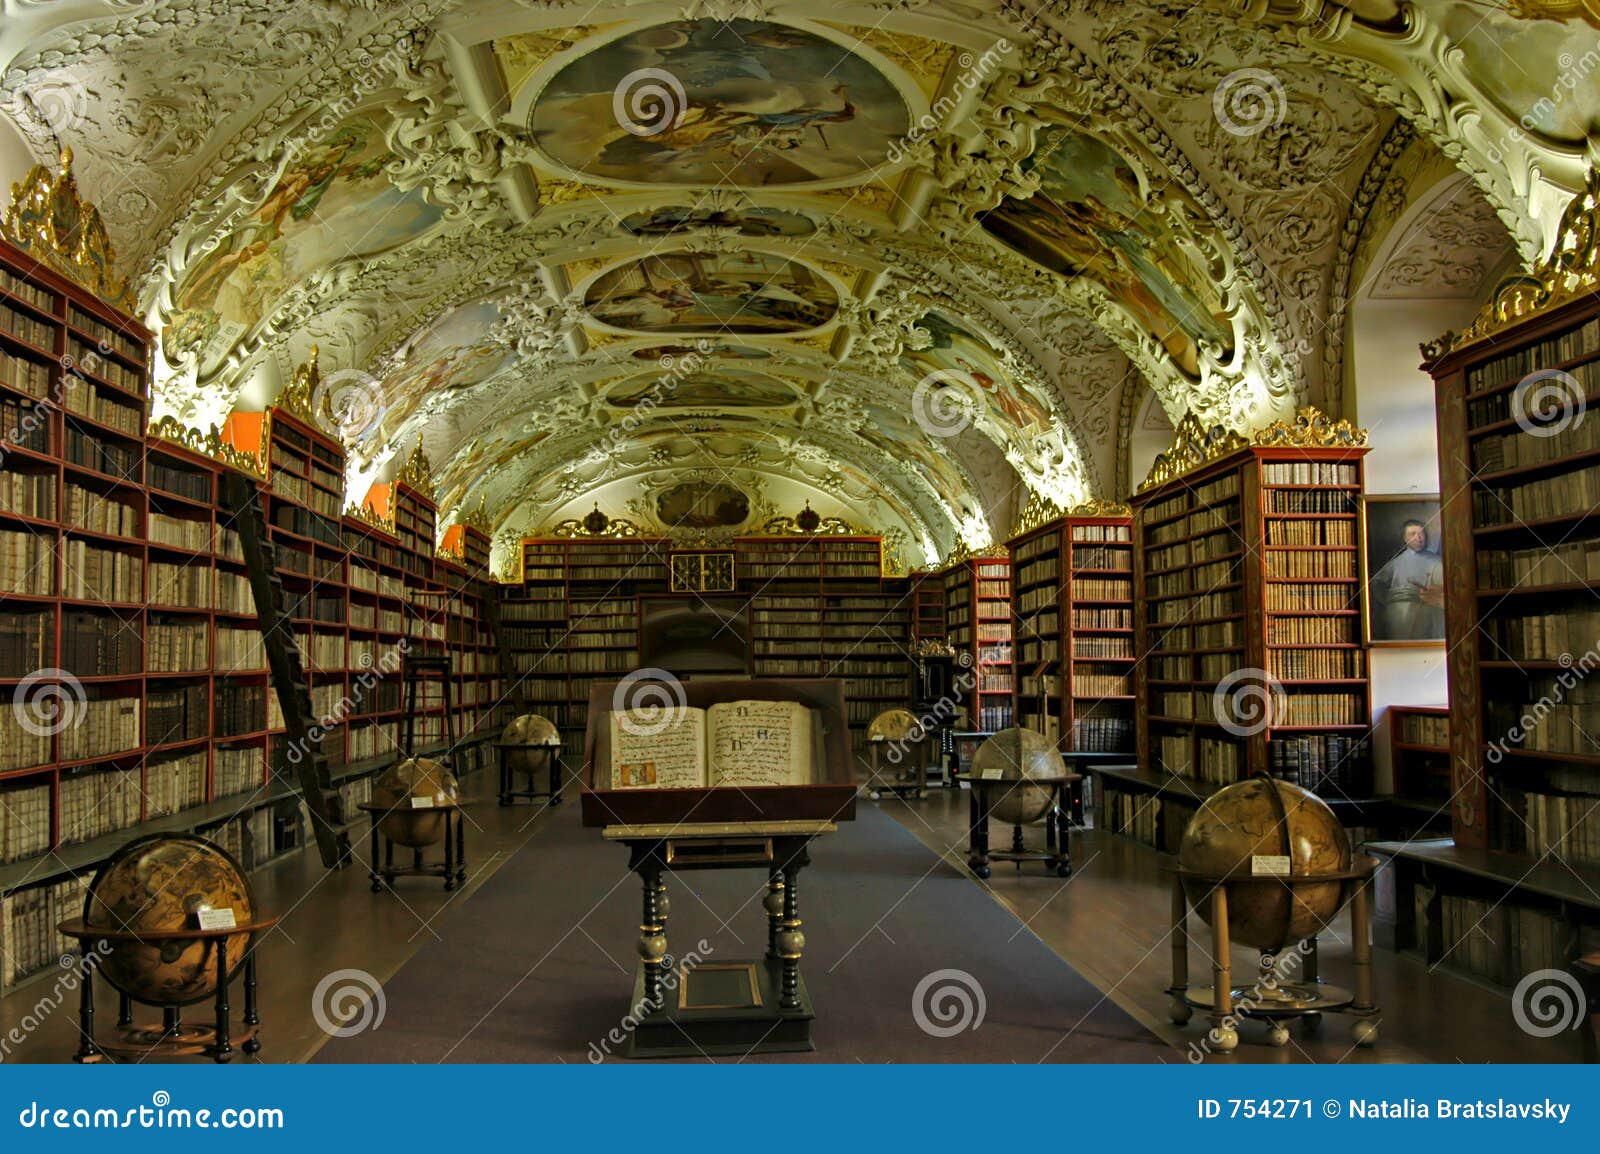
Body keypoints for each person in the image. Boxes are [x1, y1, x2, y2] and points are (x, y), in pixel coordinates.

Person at [1371, 518, 1445, 640]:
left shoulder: (1437, 561)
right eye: (1413, 534)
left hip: (1429, 612)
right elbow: (1376, 584)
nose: (1419, 538)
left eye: (1421, 534)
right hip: (1399, 614)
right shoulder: (1395, 563)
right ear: (1405, 539)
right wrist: (1388, 600)